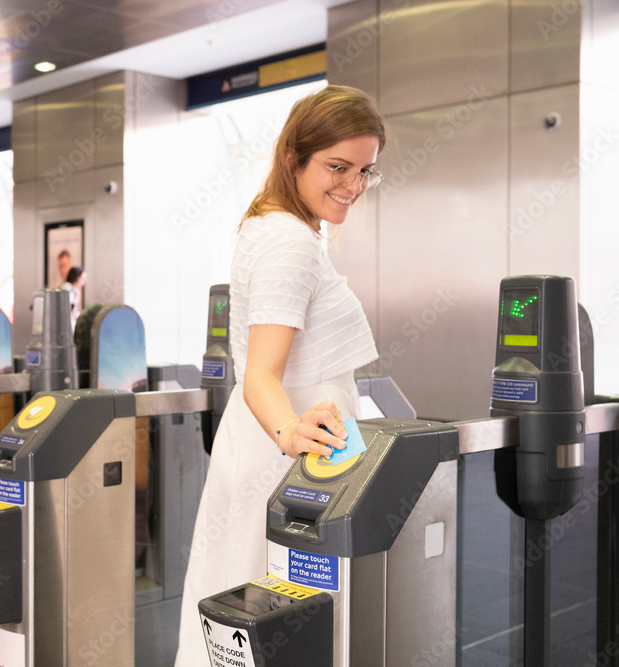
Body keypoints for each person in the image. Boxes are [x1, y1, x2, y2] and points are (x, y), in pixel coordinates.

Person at [174, 85, 386, 665]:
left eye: (365, 170)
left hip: (281, 448)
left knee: (254, 624)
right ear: (293, 156)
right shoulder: (289, 240)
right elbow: (261, 375)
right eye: (337, 167)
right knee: (280, 619)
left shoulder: (273, 224)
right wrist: (293, 434)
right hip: (291, 454)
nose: (352, 185)